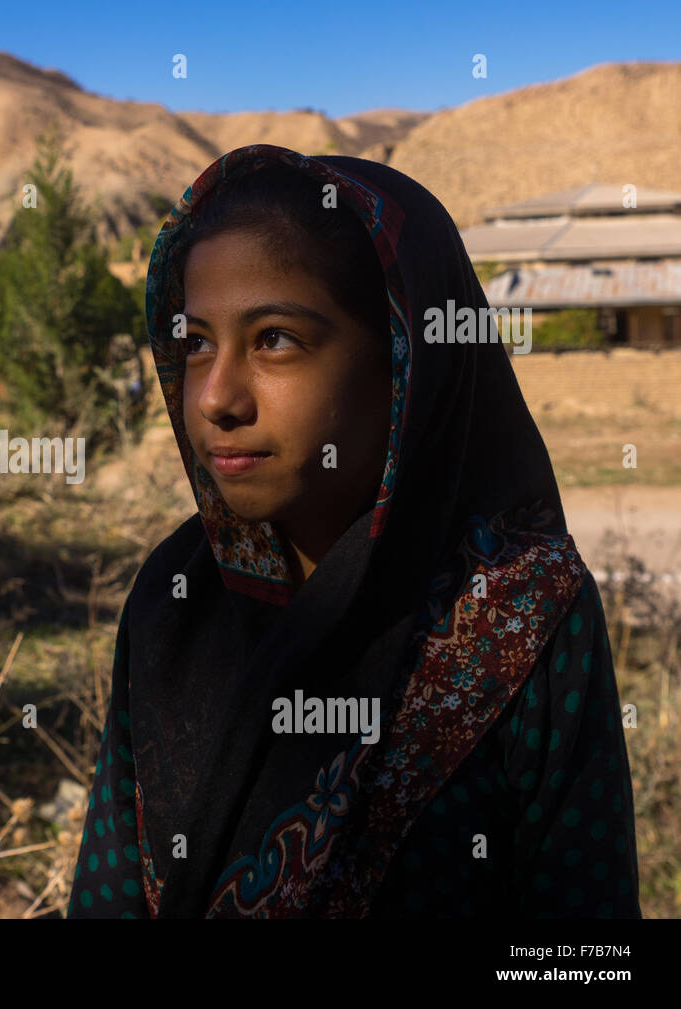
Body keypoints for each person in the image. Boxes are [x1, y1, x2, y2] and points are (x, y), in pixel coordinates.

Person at [66, 145, 642, 918]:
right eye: (196, 340)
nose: (214, 396)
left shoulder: (526, 612)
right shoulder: (175, 597)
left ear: (404, 363)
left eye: (274, 338)